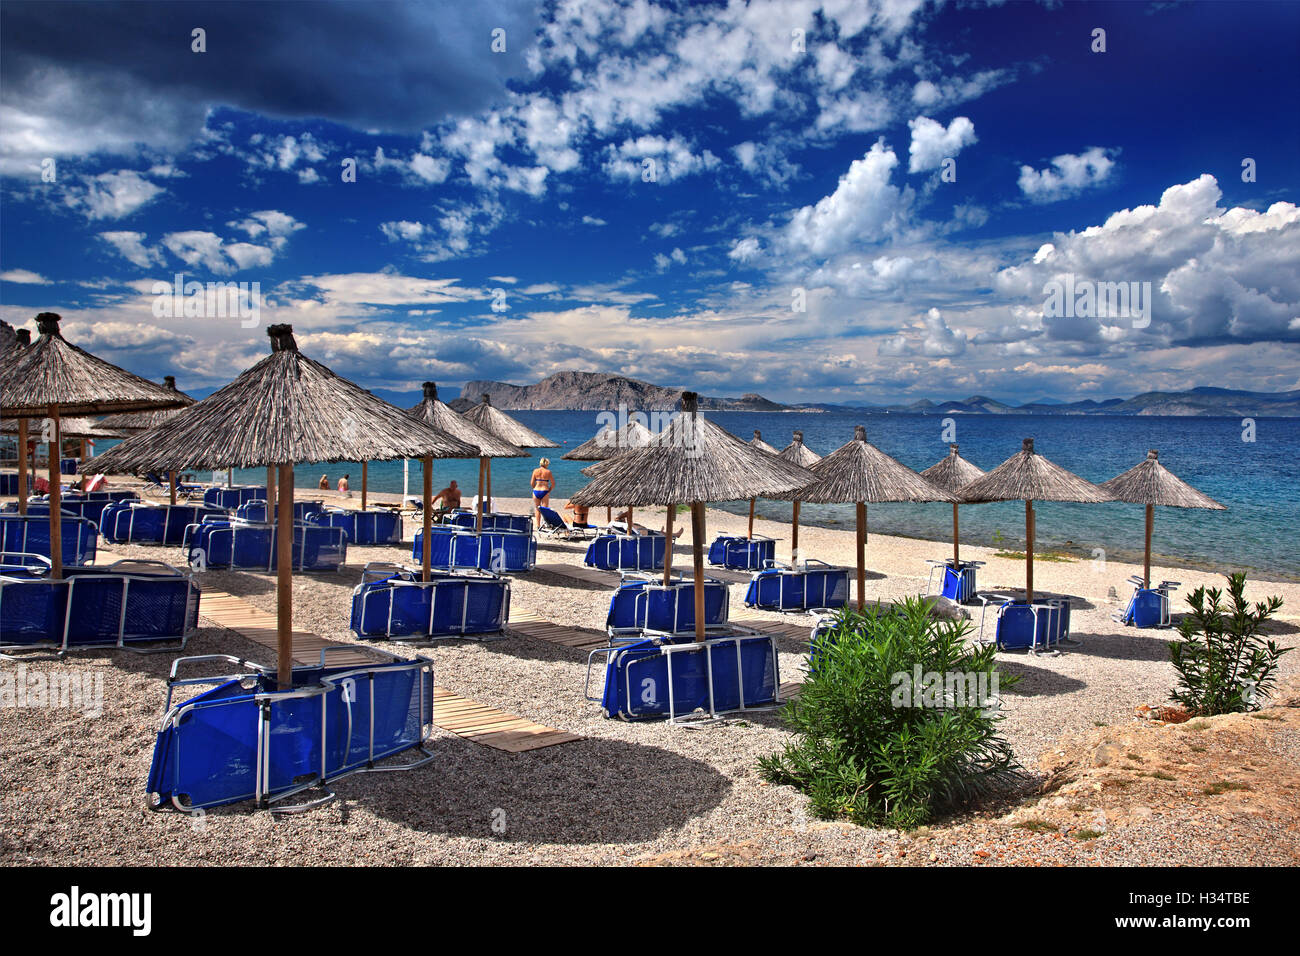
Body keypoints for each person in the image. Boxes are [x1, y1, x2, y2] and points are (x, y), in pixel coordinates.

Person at [614, 509, 684, 538]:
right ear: (622, 519)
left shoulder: (623, 525)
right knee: (660, 533)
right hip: (645, 535)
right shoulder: (626, 525)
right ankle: (675, 535)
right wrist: (621, 516)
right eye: (623, 518)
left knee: (660, 532)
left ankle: (674, 534)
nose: (625, 519)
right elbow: (629, 513)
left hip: (644, 532)